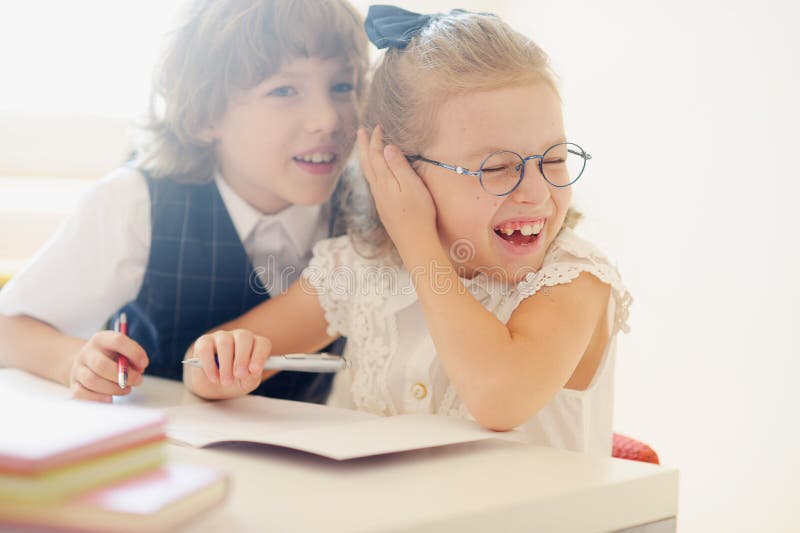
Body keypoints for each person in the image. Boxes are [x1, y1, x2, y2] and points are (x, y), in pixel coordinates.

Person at [183, 5, 632, 456]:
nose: (536, 193)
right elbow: (201, 363)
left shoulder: (574, 280)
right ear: (396, 171)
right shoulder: (359, 268)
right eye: (497, 168)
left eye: (554, 159)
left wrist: (416, 238)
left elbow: (500, 398)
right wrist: (220, 363)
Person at [0, 0, 368, 404]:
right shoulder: (135, 204)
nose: (328, 119)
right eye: (284, 90)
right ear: (204, 116)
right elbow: (7, 329)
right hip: (157, 448)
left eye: (341, 87)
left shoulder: (364, 211)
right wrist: (73, 361)